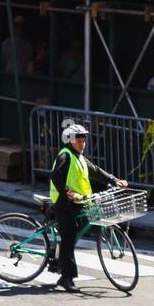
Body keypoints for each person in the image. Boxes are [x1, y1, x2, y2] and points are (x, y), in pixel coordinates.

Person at [47, 120, 128, 291]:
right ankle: (66, 278)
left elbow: (96, 171)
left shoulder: (80, 158)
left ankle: (60, 257)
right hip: (64, 203)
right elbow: (56, 177)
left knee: (78, 231)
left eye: (84, 140)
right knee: (69, 238)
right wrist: (70, 193)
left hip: (78, 203)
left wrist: (115, 180)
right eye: (79, 140)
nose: (82, 143)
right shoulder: (65, 155)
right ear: (70, 140)